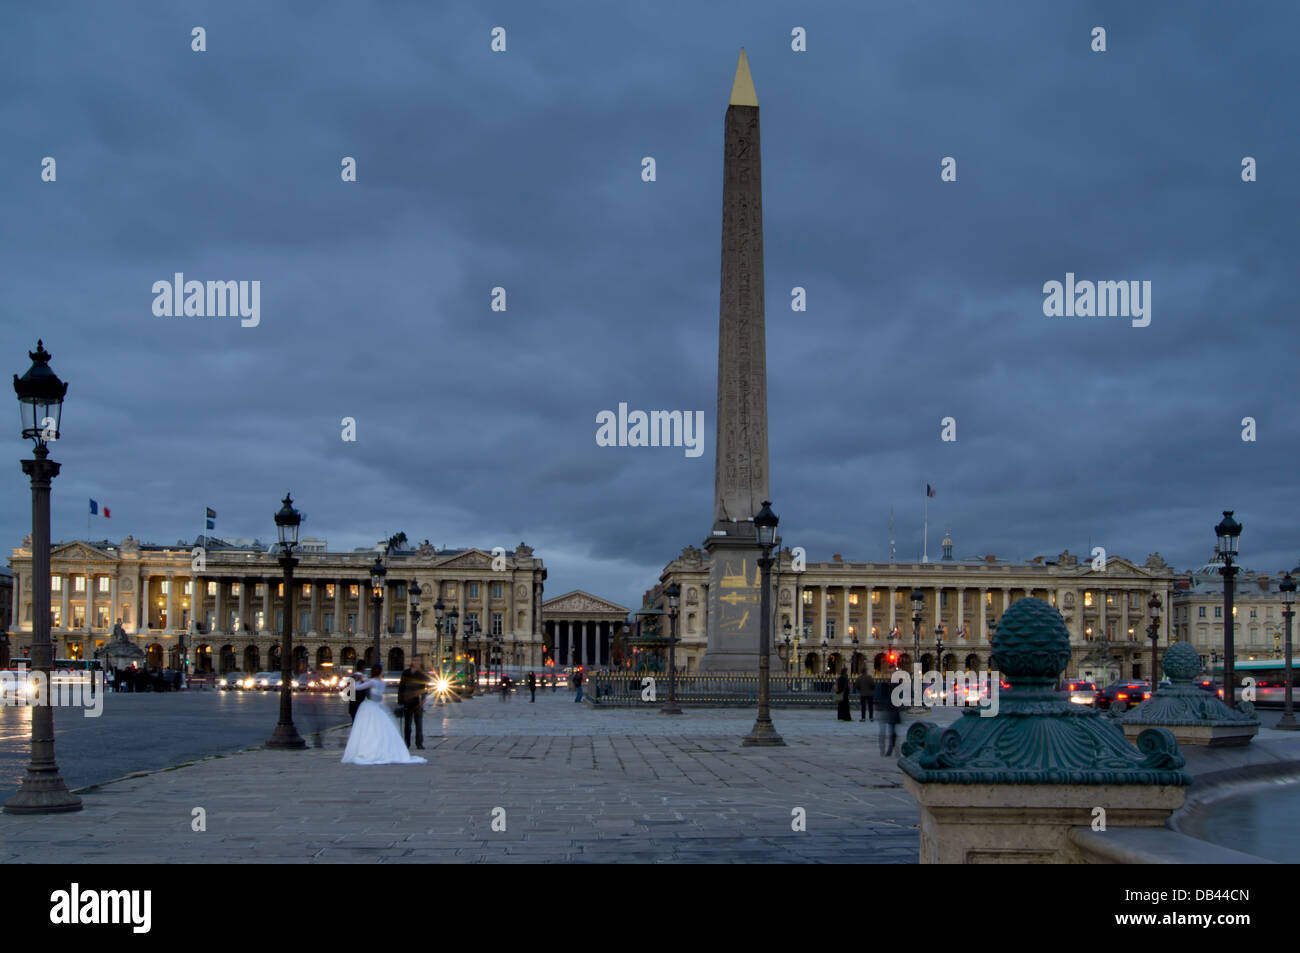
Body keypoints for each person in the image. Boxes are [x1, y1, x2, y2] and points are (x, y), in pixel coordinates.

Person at [342, 665, 427, 765]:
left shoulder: (372, 682)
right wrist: (364, 679)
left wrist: (357, 680)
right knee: (380, 730)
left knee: (367, 730)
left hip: (369, 707)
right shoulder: (382, 683)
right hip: (378, 707)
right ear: (380, 672)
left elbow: (357, 688)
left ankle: (368, 749)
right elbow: (380, 697)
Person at [397, 657, 431, 749]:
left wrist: (424, 699)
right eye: (414, 660)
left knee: (418, 723)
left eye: (418, 660)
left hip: (418, 701)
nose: (416, 662)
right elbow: (401, 687)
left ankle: (419, 743)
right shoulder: (406, 672)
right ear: (412, 661)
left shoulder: (422, 674)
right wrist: (400, 701)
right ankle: (407, 743)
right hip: (407, 701)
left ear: (420, 662)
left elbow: (426, 688)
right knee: (407, 724)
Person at [874, 673, 901, 756]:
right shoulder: (886, 686)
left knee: (890, 731)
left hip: (890, 711)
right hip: (887, 710)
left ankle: (891, 749)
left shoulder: (893, 687)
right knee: (886, 731)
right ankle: (886, 749)